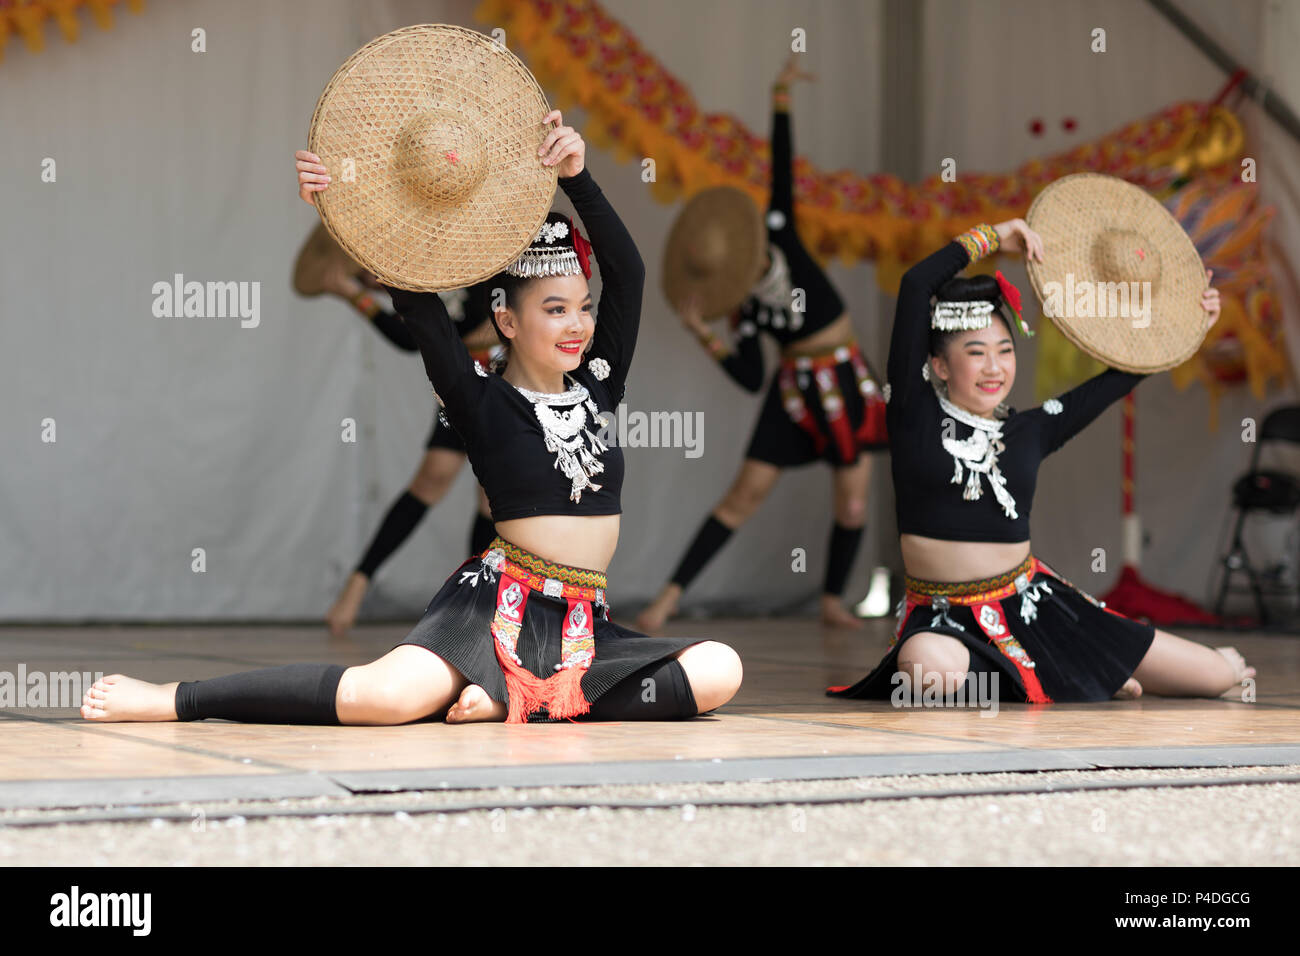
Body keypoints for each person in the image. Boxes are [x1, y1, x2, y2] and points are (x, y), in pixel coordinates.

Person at [81, 113, 742, 725]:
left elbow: (627, 274)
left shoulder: (598, 383)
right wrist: (342, 203)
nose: (577, 325)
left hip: (581, 623)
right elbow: (415, 299)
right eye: (554, 309)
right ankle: (172, 698)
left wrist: (578, 177)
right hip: (495, 608)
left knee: (720, 669)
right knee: (386, 699)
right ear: (507, 321)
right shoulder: (477, 397)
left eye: (580, 307)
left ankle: (517, 695)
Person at [829, 218, 1253, 703]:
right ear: (941, 366)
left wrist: (1185, 322)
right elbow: (914, 283)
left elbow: (1121, 375)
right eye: (976, 352)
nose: (995, 367)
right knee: (929, 676)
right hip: (946, 621)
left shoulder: (1032, 429)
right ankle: (1063, 679)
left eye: (1005, 351)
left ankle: (1068, 674)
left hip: (1036, 605)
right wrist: (991, 239)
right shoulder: (912, 412)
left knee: (1219, 677)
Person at [638, 56, 888, 633]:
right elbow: (751, 377)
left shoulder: (782, 234)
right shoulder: (745, 311)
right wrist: (706, 337)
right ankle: (668, 598)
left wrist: (779, 98)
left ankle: (832, 600)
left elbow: (782, 172)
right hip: (794, 388)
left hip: (847, 376)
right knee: (743, 494)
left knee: (852, 503)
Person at [314, 253, 498, 638]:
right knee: (435, 477)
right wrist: (368, 286)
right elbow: (417, 331)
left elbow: (428, 334)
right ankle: (361, 581)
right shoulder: (442, 262)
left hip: (507, 382)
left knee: (491, 497)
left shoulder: (490, 258)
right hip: (466, 384)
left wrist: (355, 293)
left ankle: (480, 608)